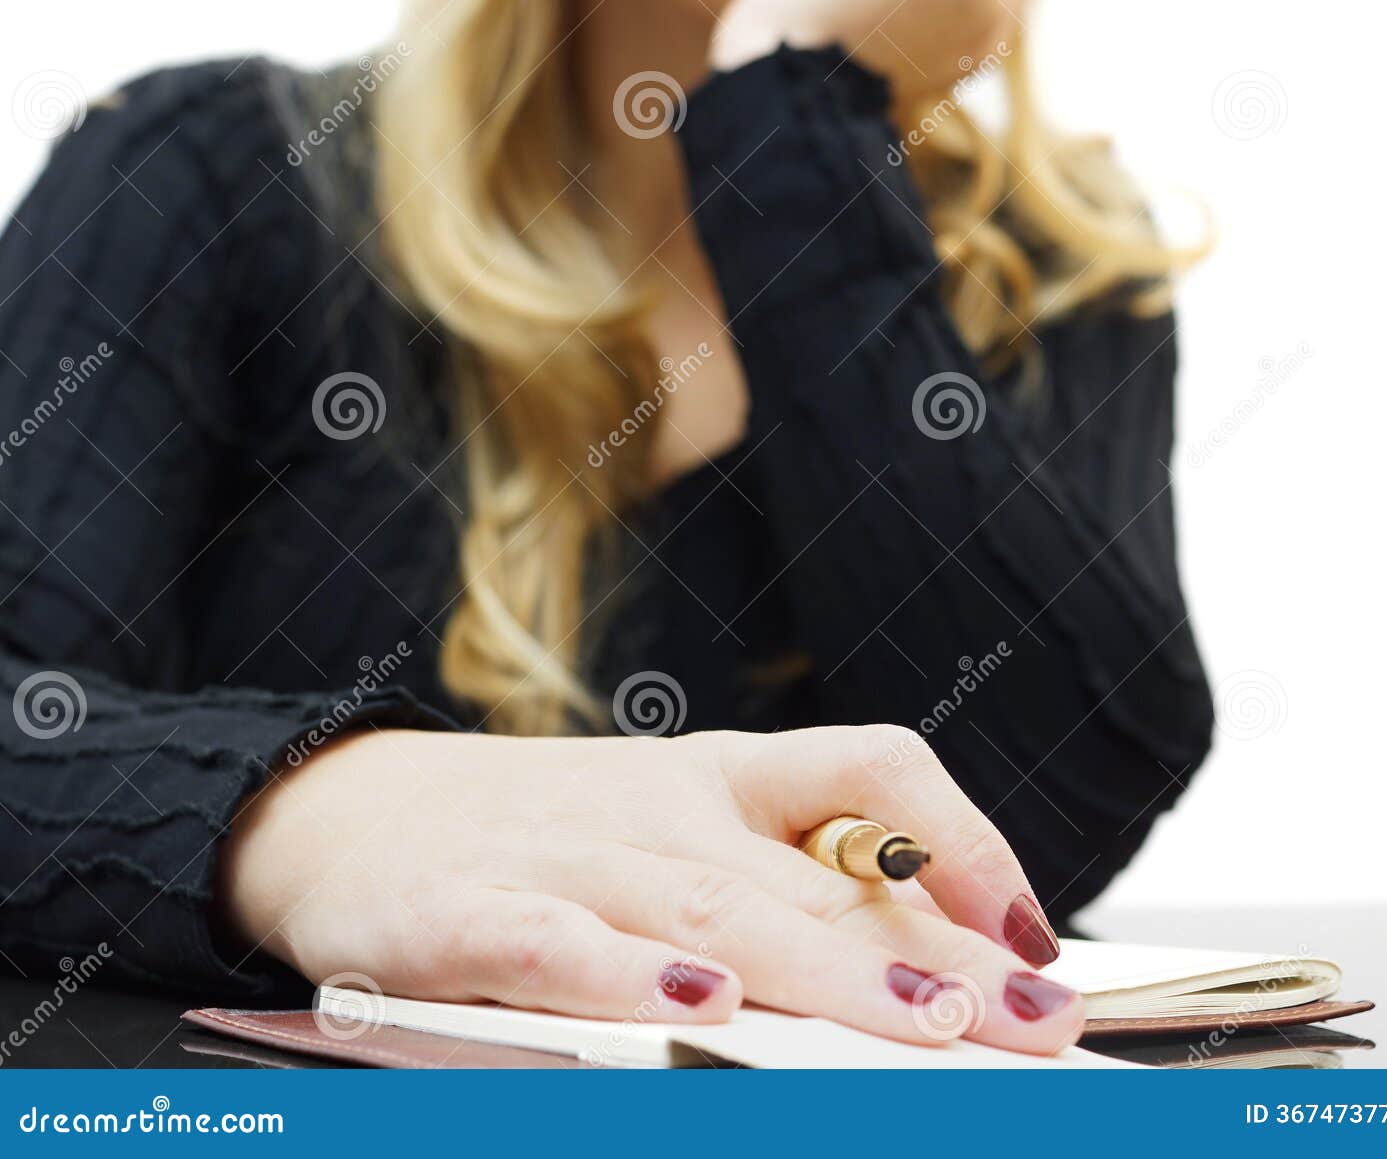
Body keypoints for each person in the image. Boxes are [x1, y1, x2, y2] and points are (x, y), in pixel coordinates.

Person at [0, 0, 1212, 1056]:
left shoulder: (1056, 262)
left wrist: (788, 116)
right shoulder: (209, 171)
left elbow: (1050, 822)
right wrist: (309, 821)